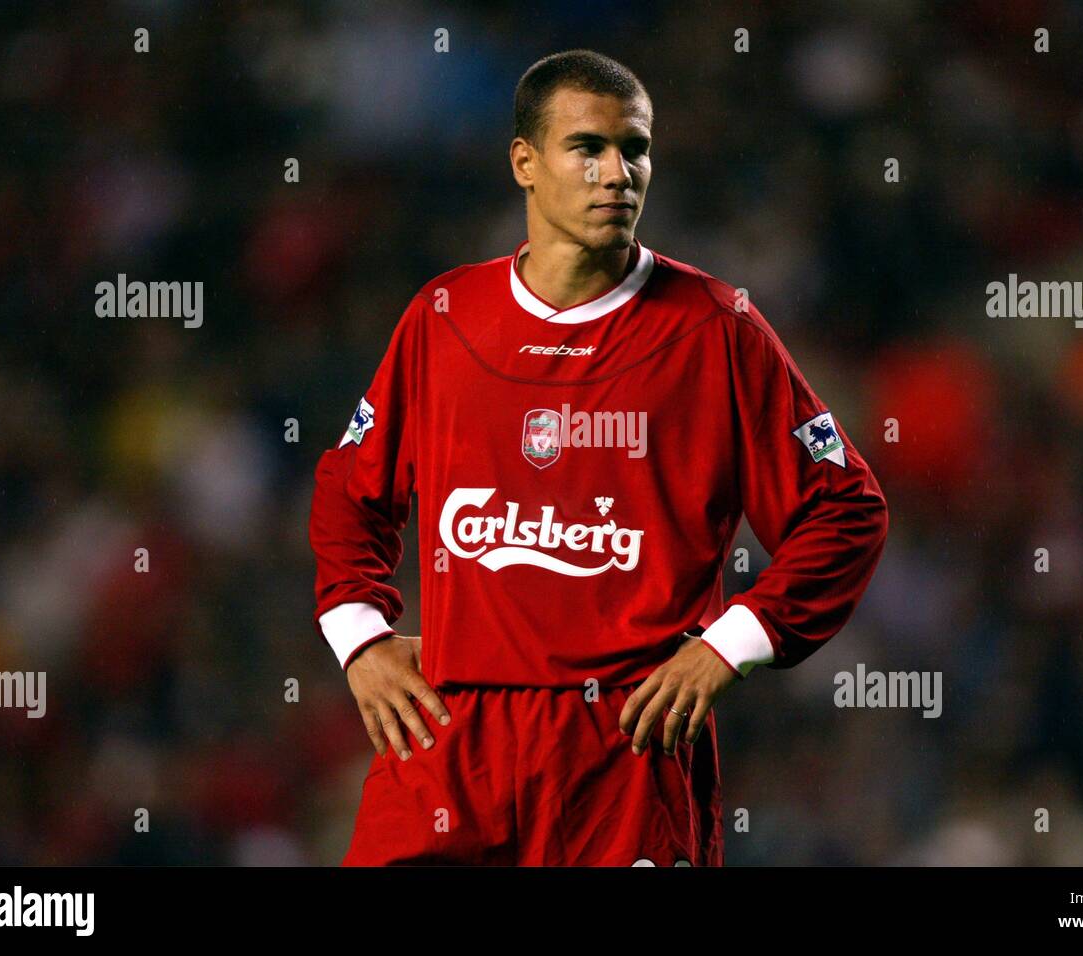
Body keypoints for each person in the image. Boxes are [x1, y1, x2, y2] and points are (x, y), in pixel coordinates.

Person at [308, 49, 889, 866]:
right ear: (525, 163)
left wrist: (732, 642)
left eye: (635, 149)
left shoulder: (715, 329)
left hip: (624, 747)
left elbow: (845, 509)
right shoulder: (445, 316)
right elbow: (350, 487)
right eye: (587, 148)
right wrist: (360, 634)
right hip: (453, 738)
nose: (618, 173)